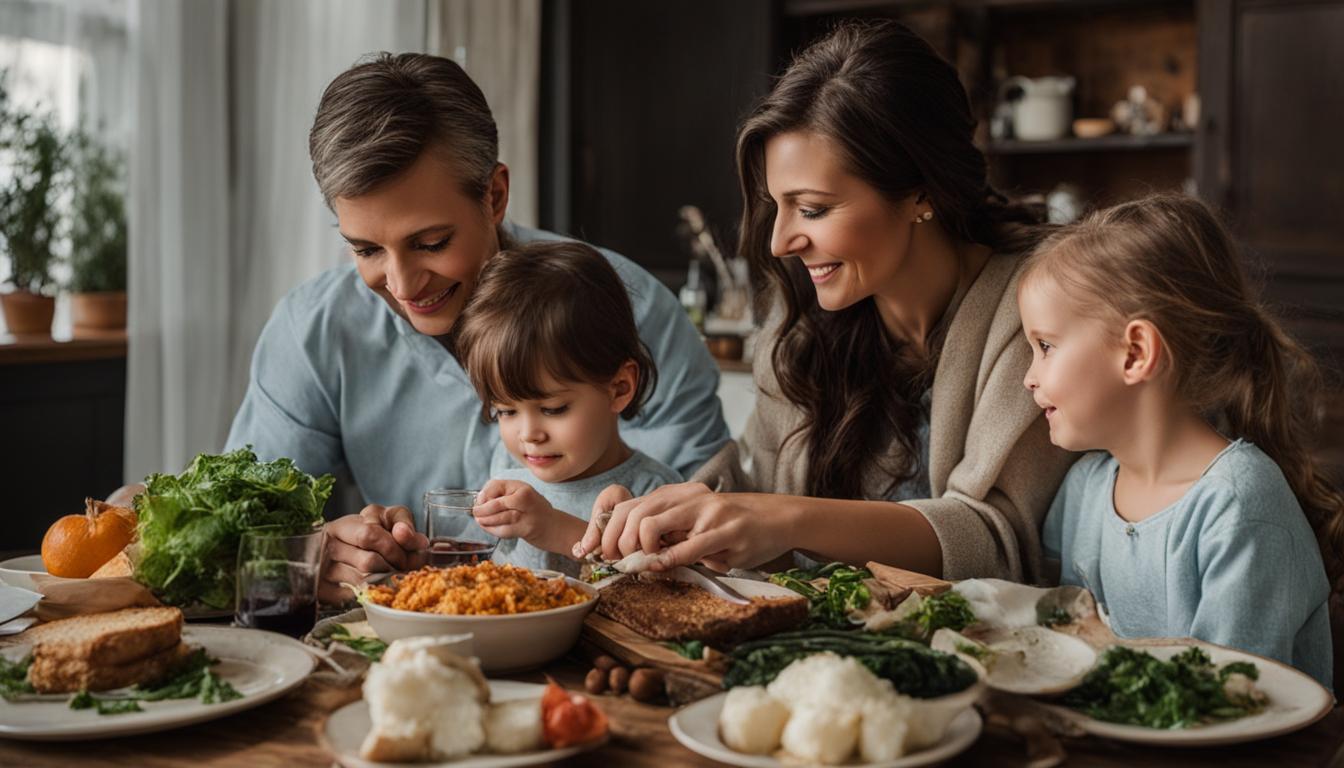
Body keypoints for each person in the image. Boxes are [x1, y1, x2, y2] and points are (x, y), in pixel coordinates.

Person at [109, 53, 728, 603]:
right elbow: (250, 529)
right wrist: (317, 548)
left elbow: (702, 551)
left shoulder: (629, 306)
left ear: (494, 195)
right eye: (366, 250)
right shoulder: (313, 331)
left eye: (430, 242)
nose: (402, 287)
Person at [576, 20, 1076, 582]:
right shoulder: (805, 326)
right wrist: (657, 508)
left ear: (920, 190)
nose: (779, 242)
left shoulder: (1041, 309)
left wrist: (787, 520)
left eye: (812, 209)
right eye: (777, 206)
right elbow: (752, 482)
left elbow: (995, 540)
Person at [1021, 193, 1339, 690]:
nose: (1029, 378)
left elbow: (1229, 703)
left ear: (1136, 353)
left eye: (1044, 347)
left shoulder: (1237, 503)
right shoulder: (1083, 489)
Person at [456, 241, 681, 576]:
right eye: (506, 411)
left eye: (554, 409)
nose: (529, 434)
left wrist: (553, 529)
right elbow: (467, 562)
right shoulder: (507, 472)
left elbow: (666, 591)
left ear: (619, 388)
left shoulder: (654, 493)